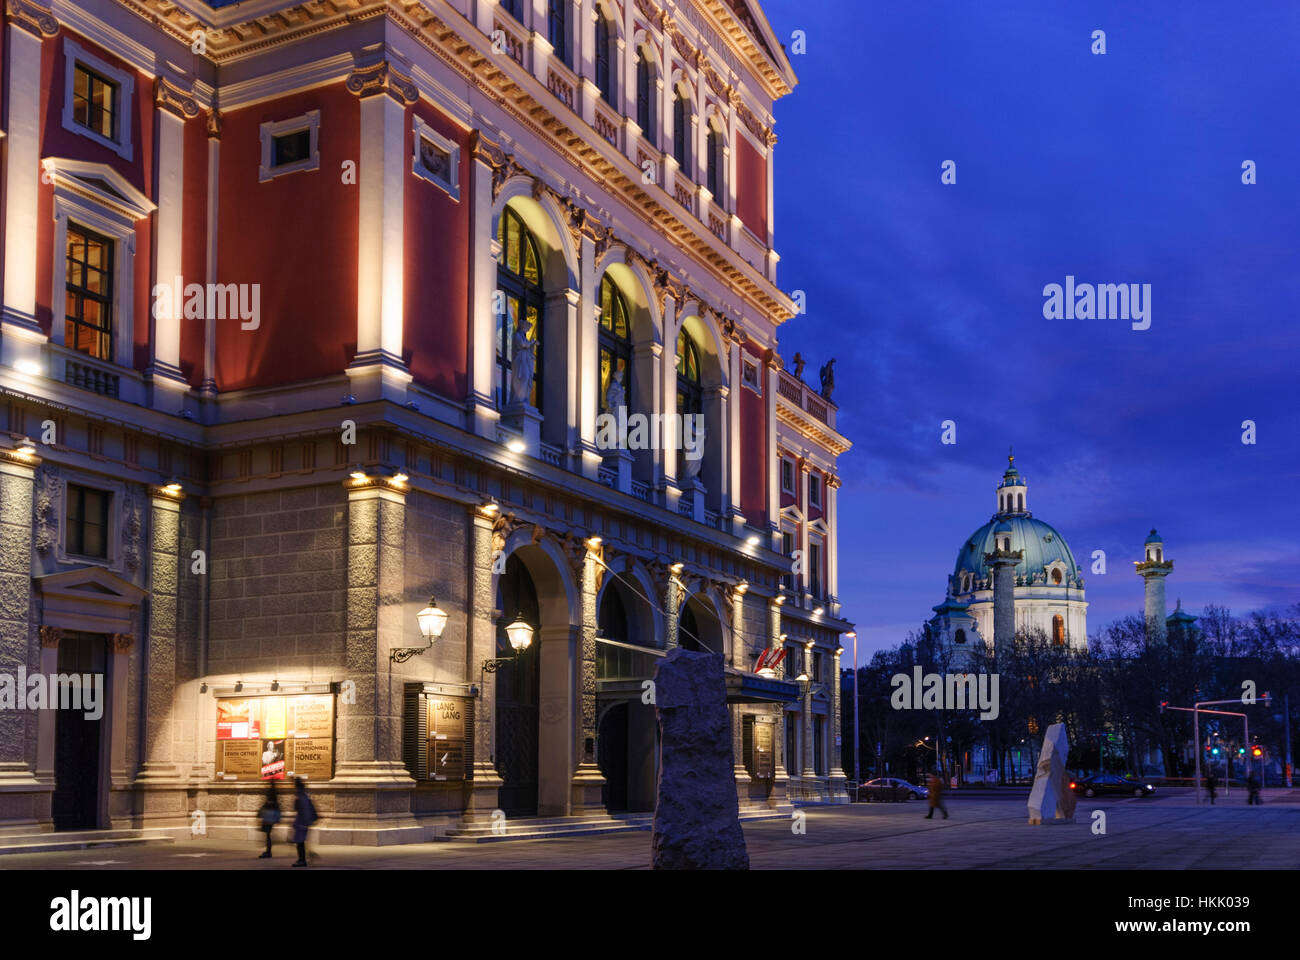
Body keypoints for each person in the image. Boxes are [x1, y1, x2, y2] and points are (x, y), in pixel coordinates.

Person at [291, 777, 318, 867]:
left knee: (300, 842)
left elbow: (303, 809)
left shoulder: (301, 796)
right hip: (302, 822)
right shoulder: (303, 794)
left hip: (302, 822)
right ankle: (307, 856)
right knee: (300, 842)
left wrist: (305, 822)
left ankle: (302, 860)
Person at [257, 779, 281, 859]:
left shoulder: (271, 791)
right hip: (272, 814)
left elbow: (269, 802)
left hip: (269, 814)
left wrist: (261, 809)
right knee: (268, 833)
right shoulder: (275, 791)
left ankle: (268, 851)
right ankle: (268, 850)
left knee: (267, 834)